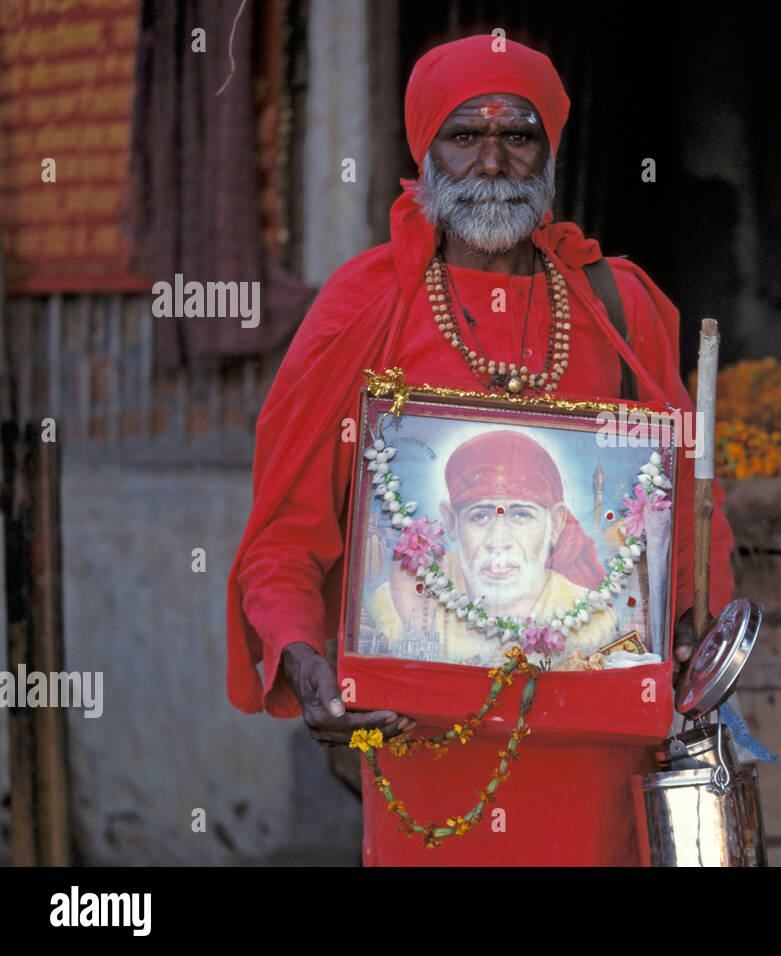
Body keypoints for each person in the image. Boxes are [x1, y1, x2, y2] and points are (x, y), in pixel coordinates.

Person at [225, 33, 736, 865]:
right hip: (426, 743)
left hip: (598, 751)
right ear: (426, 153)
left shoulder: (621, 304)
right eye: (465, 137)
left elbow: (687, 517)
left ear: (549, 152)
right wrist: (302, 656)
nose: (493, 162)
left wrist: (688, 629)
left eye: (518, 136)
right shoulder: (363, 308)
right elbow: (285, 530)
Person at [362, 429, 621, 667]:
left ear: (555, 523)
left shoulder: (592, 617)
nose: (498, 541)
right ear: (451, 521)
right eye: (480, 516)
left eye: (521, 515)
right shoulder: (395, 602)